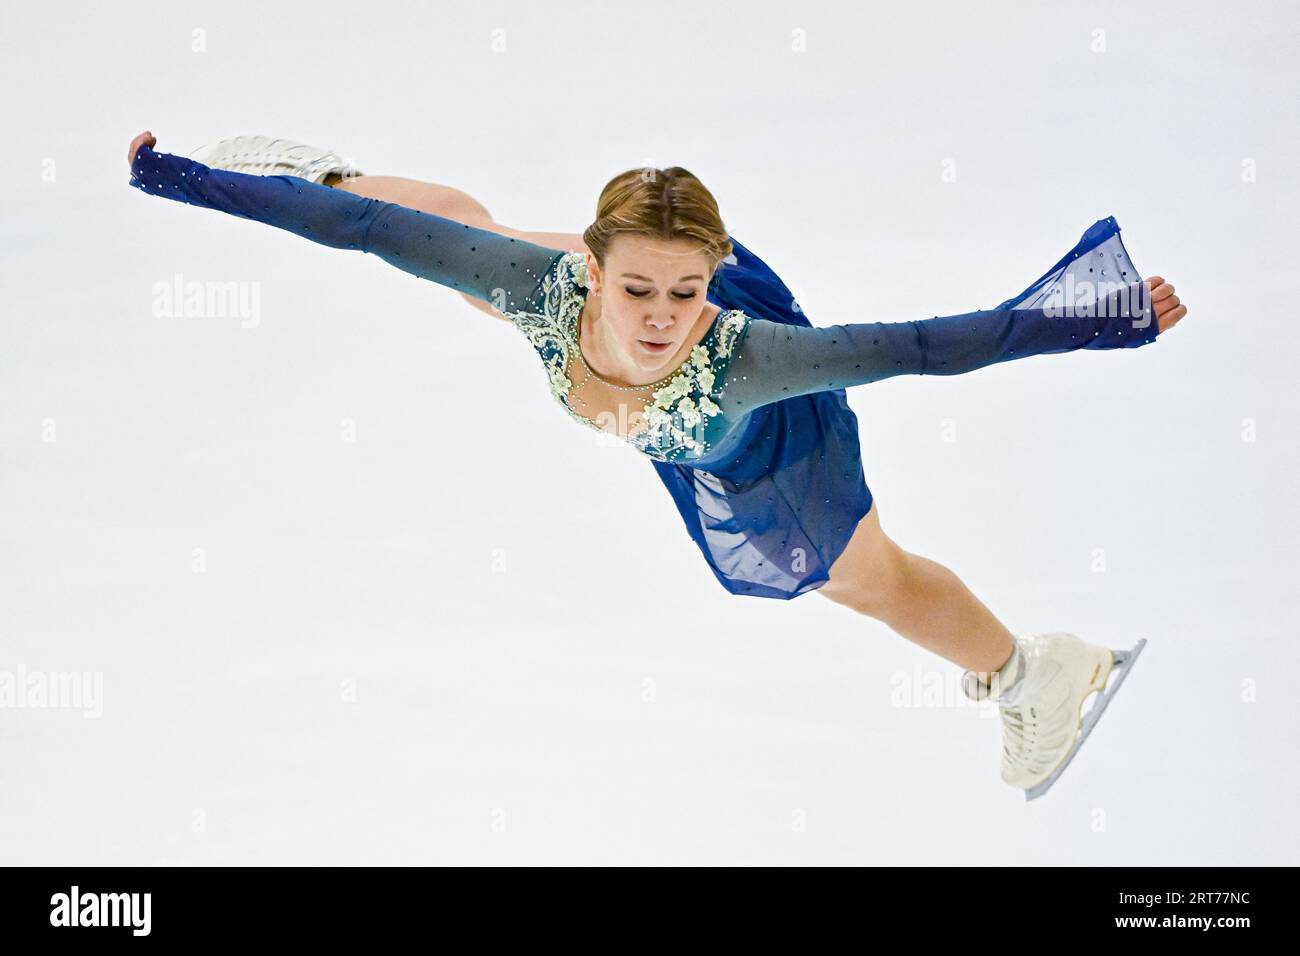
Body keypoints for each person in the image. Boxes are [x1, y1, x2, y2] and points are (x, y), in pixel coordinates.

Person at [125, 131, 1187, 799]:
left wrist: (1098, 318)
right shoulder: (543, 285)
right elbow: (363, 229)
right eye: (637, 290)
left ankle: (1035, 671)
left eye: (684, 292)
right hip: (625, 379)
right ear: (590, 266)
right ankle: (317, 152)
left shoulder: (748, 359)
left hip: (761, 453)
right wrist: (188, 179)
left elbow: (922, 346)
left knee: (867, 579)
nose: (661, 320)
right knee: (456, 249)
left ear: (712, 278)